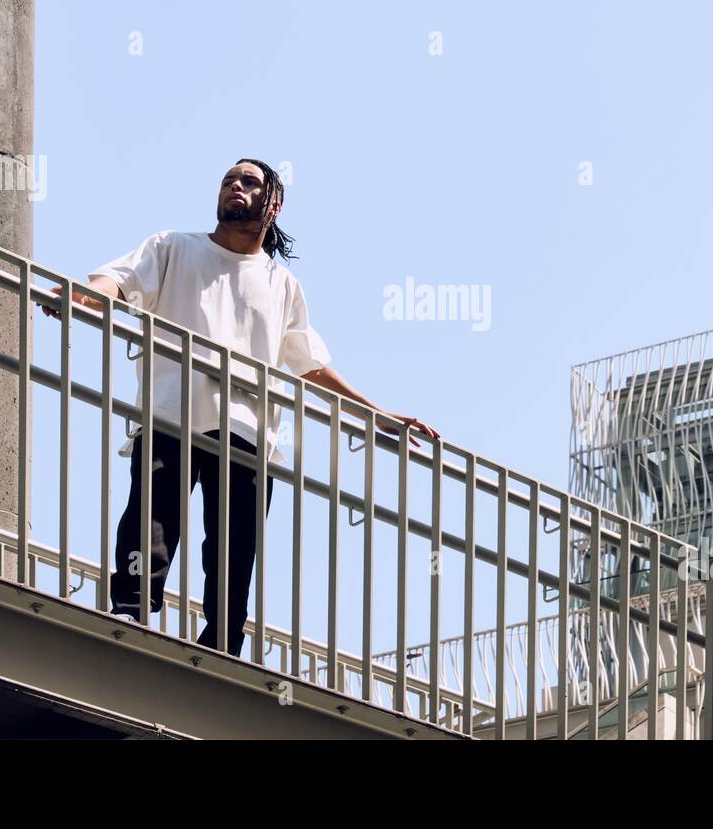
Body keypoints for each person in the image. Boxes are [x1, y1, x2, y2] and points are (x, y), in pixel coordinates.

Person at [40, 158, 438, 657]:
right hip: (171, 412)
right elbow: (119, 282)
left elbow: (309, 366)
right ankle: (132, 608)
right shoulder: (173, 248)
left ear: (273, 204)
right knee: (151, 518)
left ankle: (223, 641)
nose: (235, 186)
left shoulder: (282, 285)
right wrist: (81, 297)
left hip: (247, 430)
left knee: (233, 546)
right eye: (230, 179)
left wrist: (376, 415)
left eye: (249, 182)